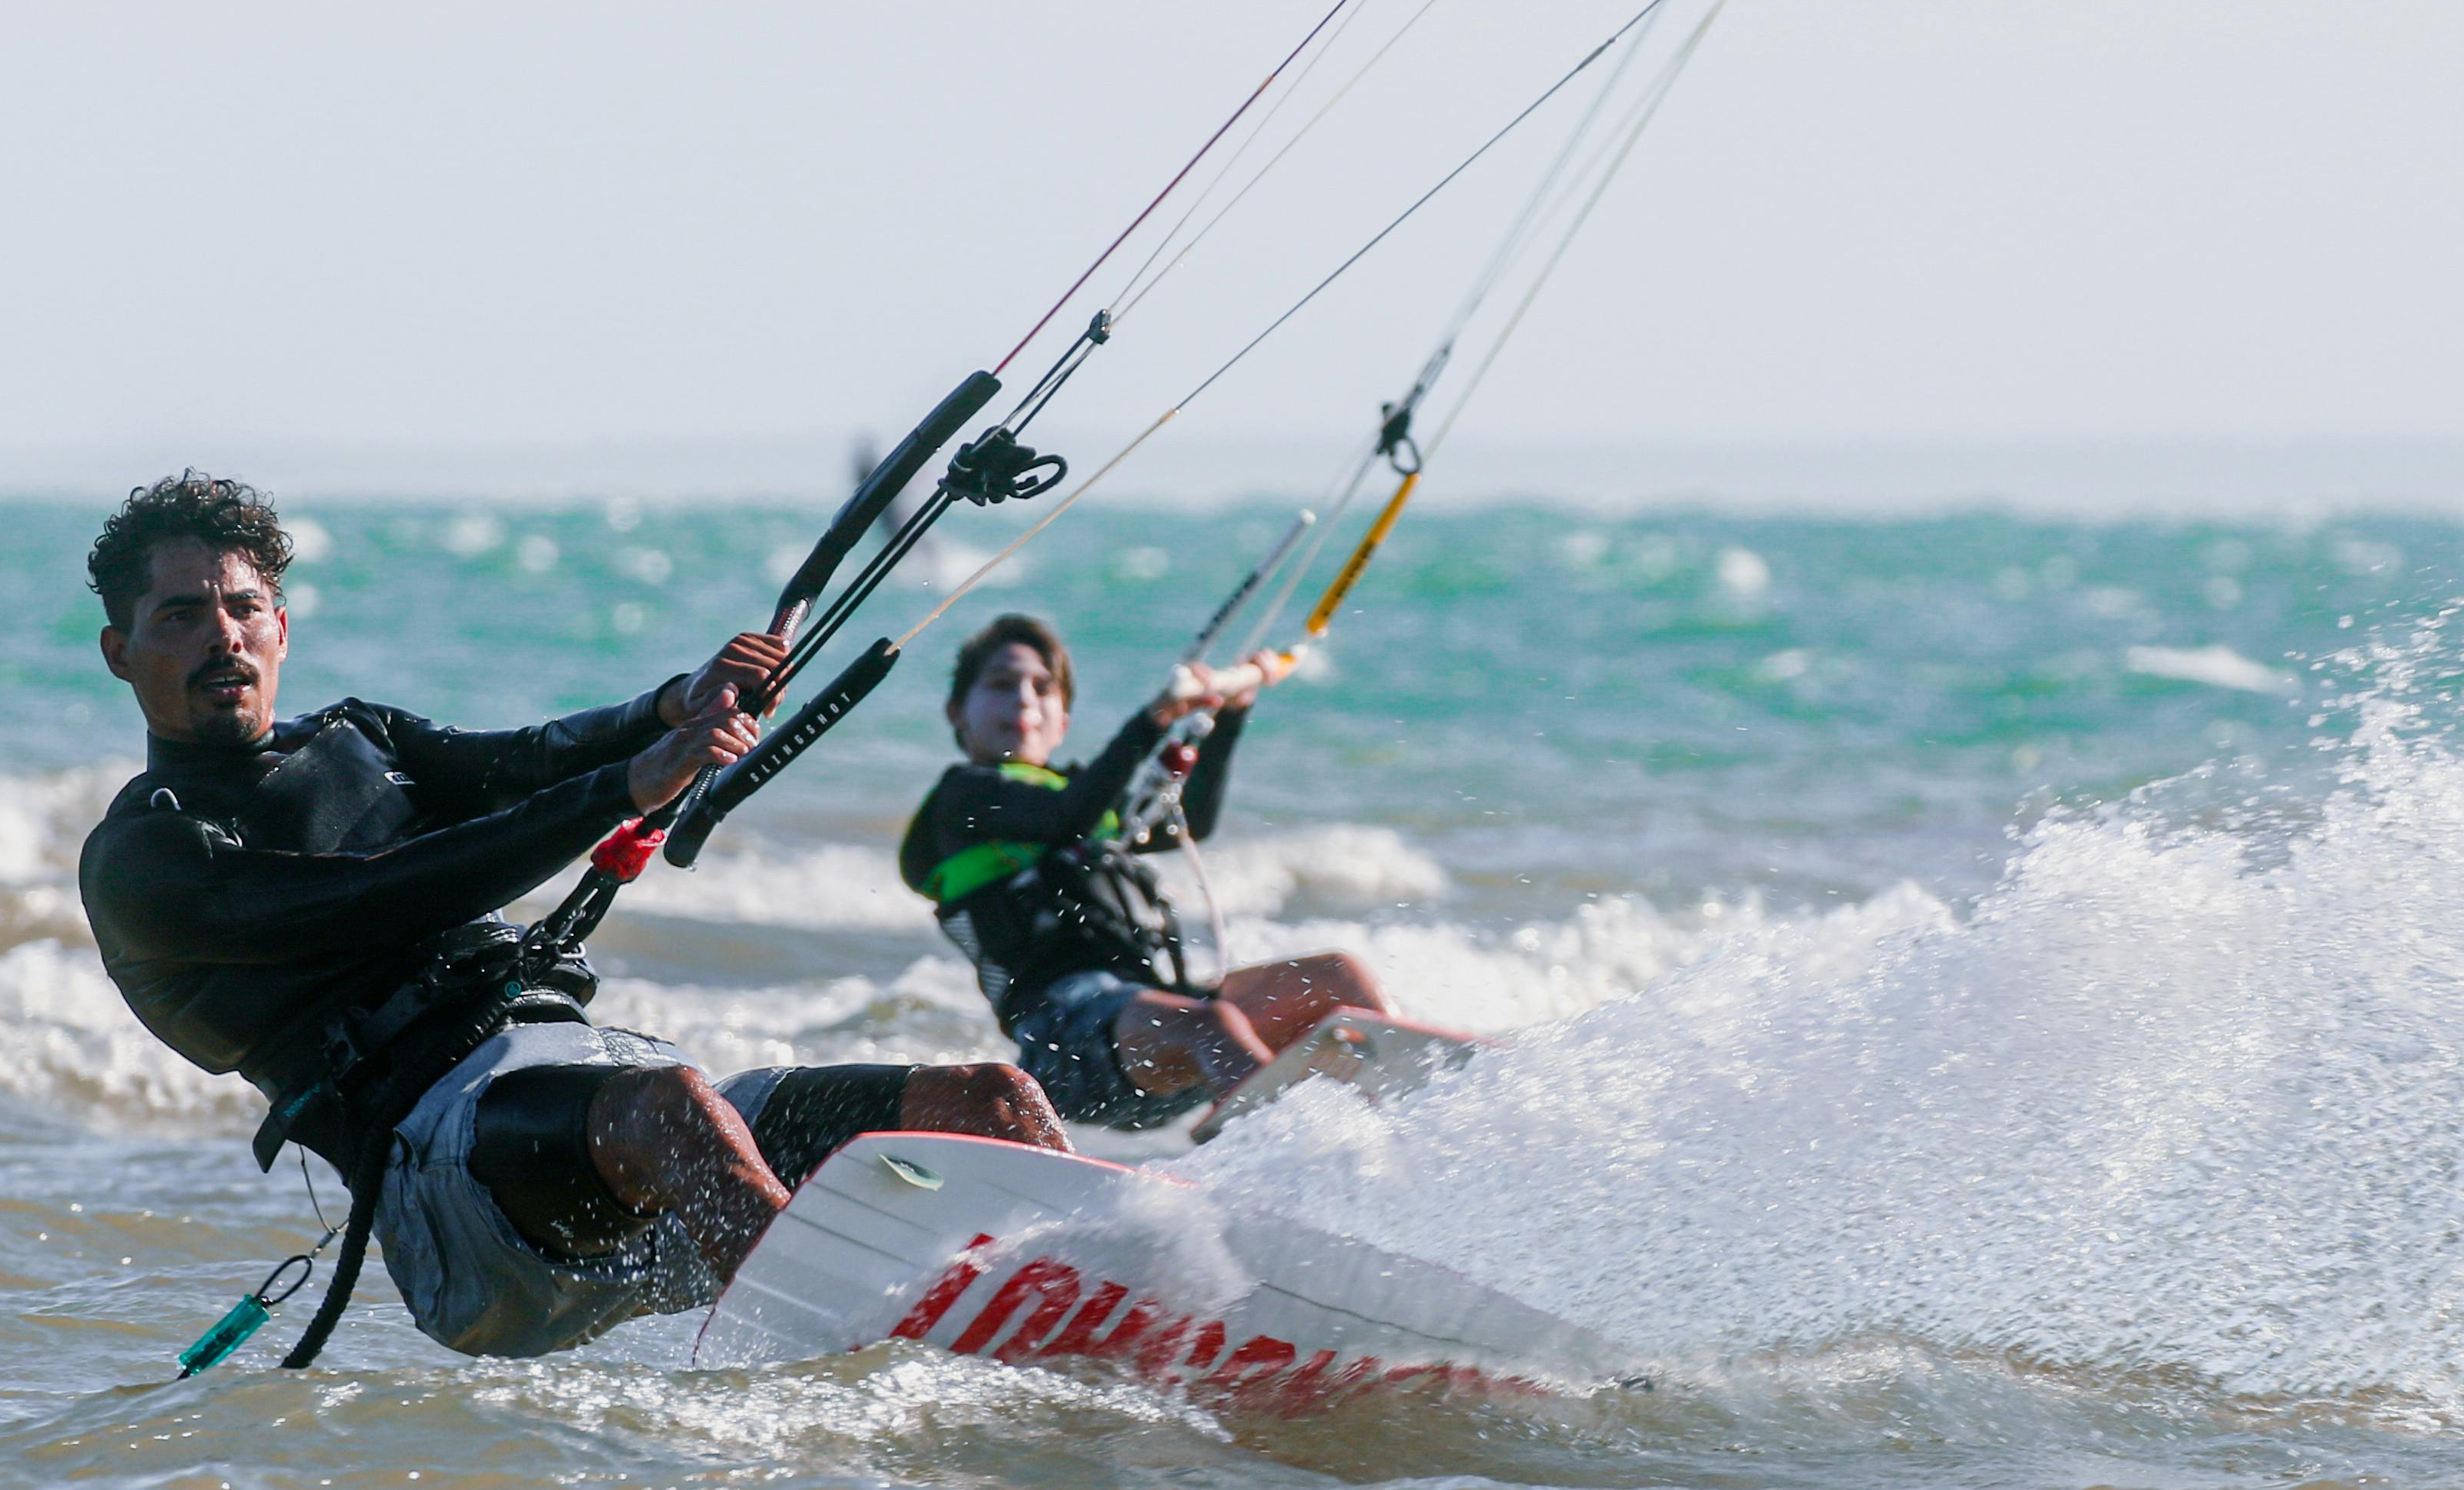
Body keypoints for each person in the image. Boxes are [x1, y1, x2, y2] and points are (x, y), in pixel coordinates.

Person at [77, 472, 1061, 1361]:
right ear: (122, 651)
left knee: (988, 1098)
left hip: (607, 1125)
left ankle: (1131, 1310)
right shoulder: (146, 858)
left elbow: (531, 760)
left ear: (282, 628)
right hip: (456, 1201)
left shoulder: (355, 735)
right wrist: (632, 786)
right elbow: (386, 892)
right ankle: (867, 1395)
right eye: (181, 616)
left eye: (245, 608)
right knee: (676, 1105)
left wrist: (677, 705)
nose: (223, 636)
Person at [901, 608, 1465, 1130]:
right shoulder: (964, 800)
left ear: (1064, 721)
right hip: (1067, 1045)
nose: (1025, 700)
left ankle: (1413, 1124)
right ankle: (1296, 1150)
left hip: (1163, 1037)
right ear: (957, 714)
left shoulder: (1088, 804)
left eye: (1042, 688)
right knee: (1213, 1025)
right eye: (1002, 685)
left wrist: (1229, 715)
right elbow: (1066, 816)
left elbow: (1189, 819)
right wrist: (1153, 719)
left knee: (1337, 977)